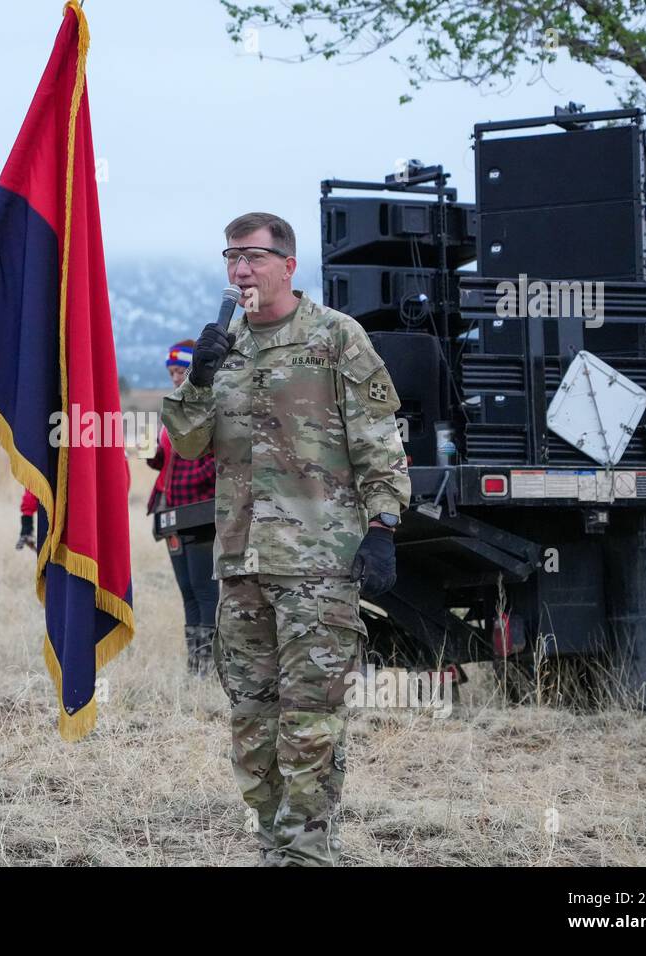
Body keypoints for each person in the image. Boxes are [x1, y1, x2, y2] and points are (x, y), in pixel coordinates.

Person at [162, 212, 410, 866]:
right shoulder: (226, 347)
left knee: (309, 729)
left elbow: (381, 442)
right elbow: (187, 443)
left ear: (288, 265)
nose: (240, 270)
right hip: (241, 567)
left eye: (253, 257)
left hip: (318, 568)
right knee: (253, 729)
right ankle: (277, 848)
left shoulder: (336, 338)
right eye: (230, 258)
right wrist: (198, 380)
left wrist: (382, 526)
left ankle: (306, 856)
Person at [146, 340, 218, 674]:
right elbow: (165, 460)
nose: (175, 378)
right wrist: (150, 452)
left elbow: (217, 460)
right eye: (172, 372)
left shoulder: (210, 407)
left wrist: (196, 478)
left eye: (181, 371)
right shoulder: (171, 411)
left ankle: (213, 664)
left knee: (206, 589)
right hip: (171, 511)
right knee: (188, 589)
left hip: (201, 511)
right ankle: (196, 664)